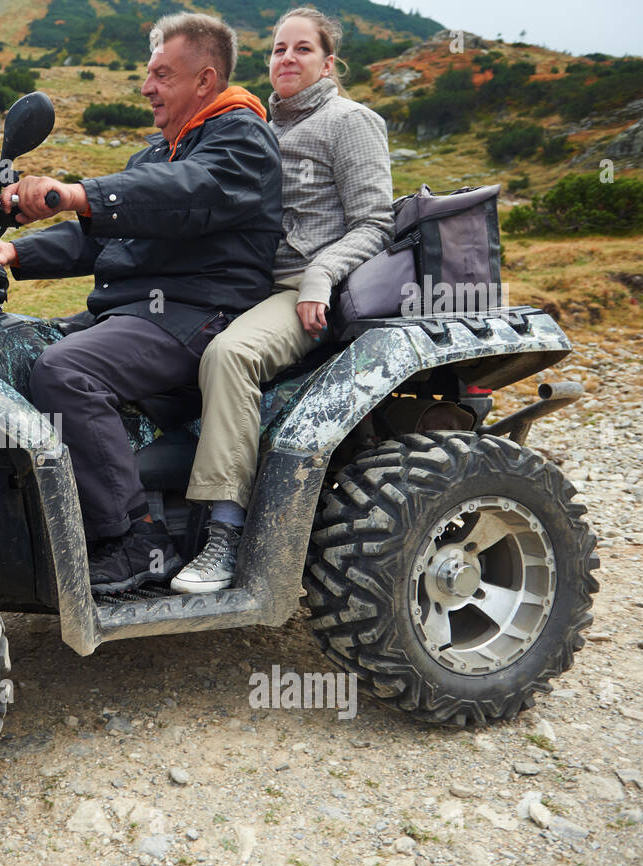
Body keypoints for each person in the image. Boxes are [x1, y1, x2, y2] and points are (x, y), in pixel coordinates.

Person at [0, 12, 283, 594]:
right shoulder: (160, 152)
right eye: (148, 74)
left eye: (161, 75)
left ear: (204, 80)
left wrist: (76, 192)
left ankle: (136, 540)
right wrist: (15, 253)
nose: (147, 87)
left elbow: (184, 193)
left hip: (197, 314)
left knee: (66, 371)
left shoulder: (241, 140)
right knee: (12, 349)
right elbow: (104, 234)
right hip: (138, 312)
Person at [170, 5, 394, 593]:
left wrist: (320, 275)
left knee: (230, 356)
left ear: (328, 62)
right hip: (244, 285)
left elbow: (375, 223)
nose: (287, 58)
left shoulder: (350, 121)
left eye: (302, 48)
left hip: (303, 292)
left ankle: (224, 535)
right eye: (278, 49)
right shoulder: (262, 128)